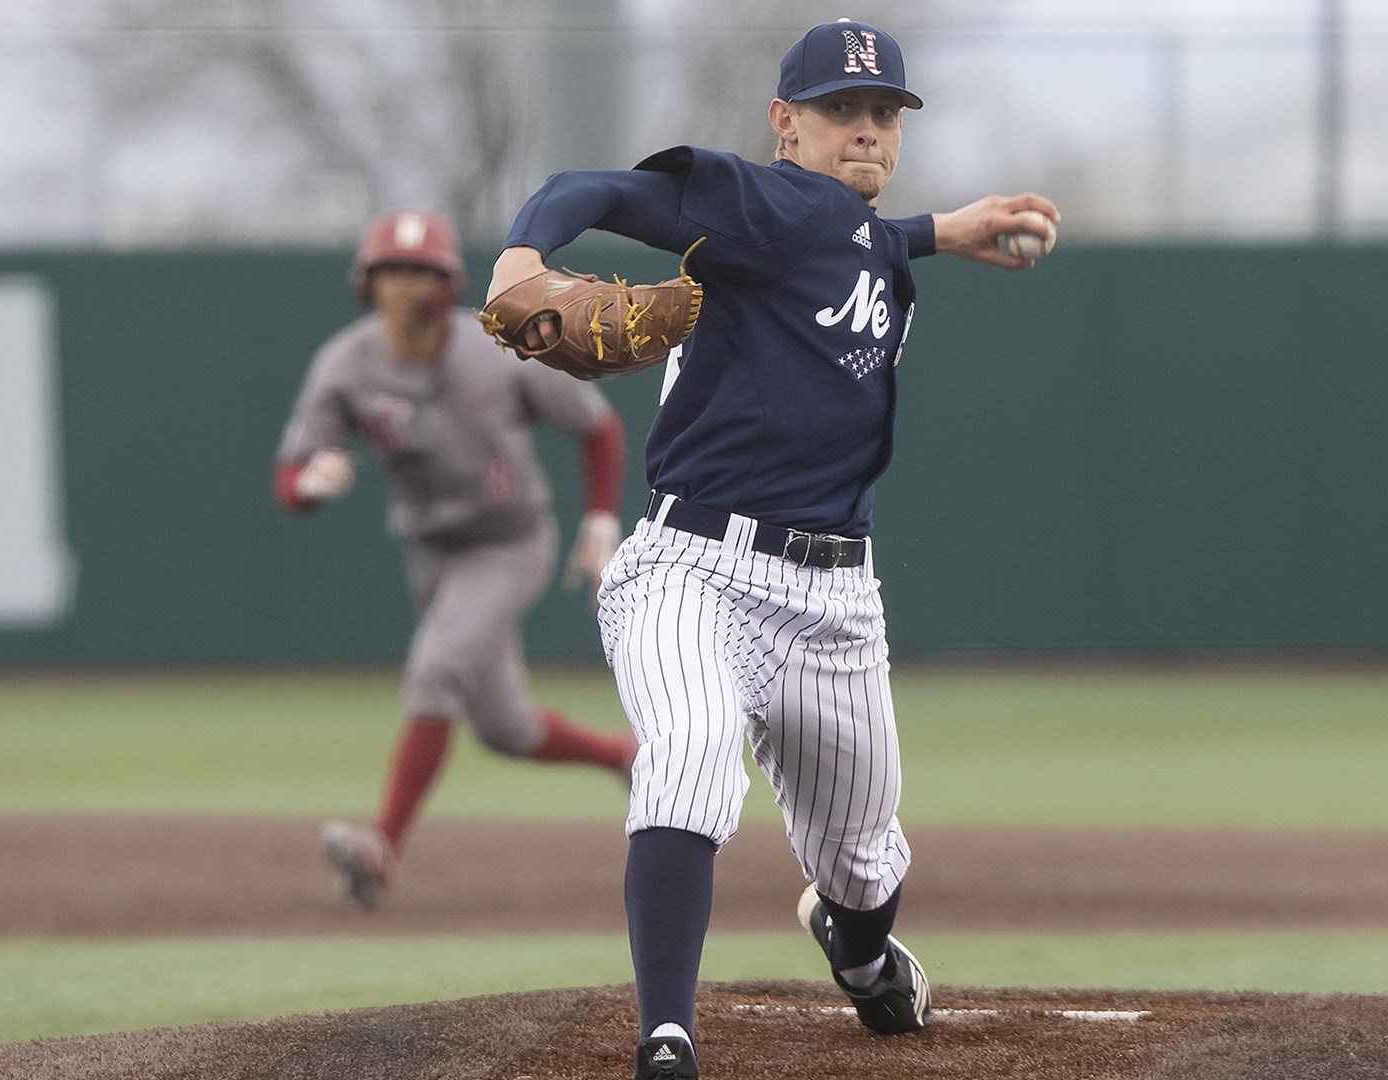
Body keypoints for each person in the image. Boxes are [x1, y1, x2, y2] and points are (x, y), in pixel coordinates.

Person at [484, 20, 1060, 1079]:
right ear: (785, 123)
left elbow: (857, 240)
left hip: (837, 603)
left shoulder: (864, 238)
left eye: (884, 112)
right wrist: (524, 253)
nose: (866, 129)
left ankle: (858, 948)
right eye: (841, 110)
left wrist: (943, 229)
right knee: (690, 761)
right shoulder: (762, 201)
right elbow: (587, 188)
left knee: (865, 862)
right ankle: (668, 1038)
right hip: (692, 572)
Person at [276, 209, 641, 910]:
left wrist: (599, 520)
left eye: (421, 272)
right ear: (367, 282)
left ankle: (381, 848)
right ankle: (622, 756)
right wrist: (309, 486)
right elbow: (290, 477)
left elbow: (597, 426)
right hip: (432, 551)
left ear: (448, 283)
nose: (405, 286)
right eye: (391, 272)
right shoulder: (347, 364)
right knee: (506, 729)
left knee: (437, 670)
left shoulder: (496, 345)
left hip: (509, 541)